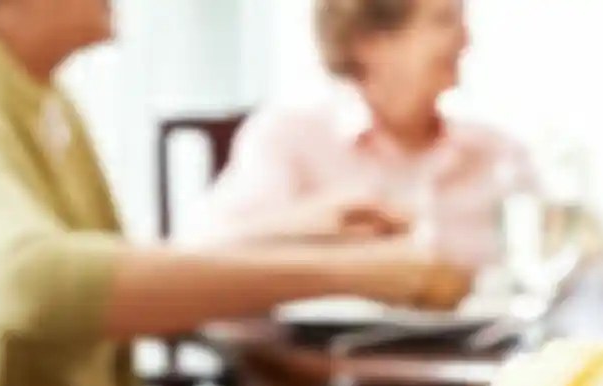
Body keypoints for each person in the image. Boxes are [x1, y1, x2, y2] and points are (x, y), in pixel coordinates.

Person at [0, 0, 472, 386]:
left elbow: (115, 275)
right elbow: (27, 282)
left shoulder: (35, 89)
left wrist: (286, 233)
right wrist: (349, 272)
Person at [199, 0, 536, 270]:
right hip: (321, 354)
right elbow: (202, 251)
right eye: (443, 20)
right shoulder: (289, 136)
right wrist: (309, 226)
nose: (465, 40)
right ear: (369, 42)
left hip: (487, 353)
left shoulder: (499, 152)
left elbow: (561, 271)